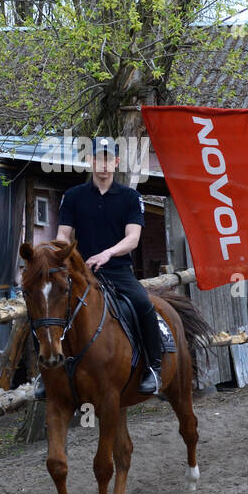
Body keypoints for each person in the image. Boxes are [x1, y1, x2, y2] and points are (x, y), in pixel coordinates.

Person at [36, 137, 160, 398]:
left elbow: (133, 239)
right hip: (81, 272)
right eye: (98, 159)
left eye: (108, 159)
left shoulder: (130, 197)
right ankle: (45, 371)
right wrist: (58, 253)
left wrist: (108, 253)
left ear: (116, 162)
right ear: (90, 161)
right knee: (48, 307)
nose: (103, 165)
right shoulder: (73, 196)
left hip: (118, 271)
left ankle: (153, 367)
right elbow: (63, 235)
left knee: (143, 305)